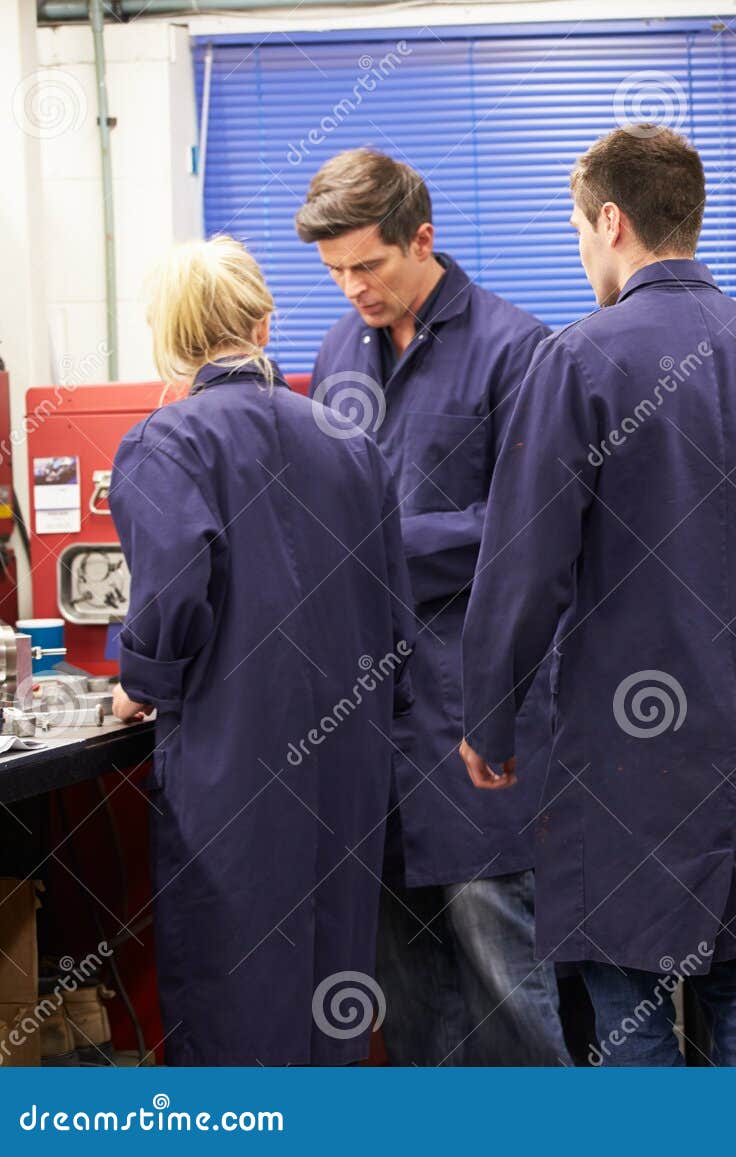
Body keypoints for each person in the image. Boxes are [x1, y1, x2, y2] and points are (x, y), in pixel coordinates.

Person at [458, 125, 736, 1067]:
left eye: (582, 229)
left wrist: (488, 716)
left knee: (627, 990)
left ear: (614, 221)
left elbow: (524, 561)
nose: (583, 249)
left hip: (625, 752)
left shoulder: (580, 361)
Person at [110, 236, 415, 1065]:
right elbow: (395, 619)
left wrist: (140, 680)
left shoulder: (163, 444)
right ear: (265, 320)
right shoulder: (352, 442)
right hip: (350, 768)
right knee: (335, 993)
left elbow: (171, 598)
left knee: (237, 998)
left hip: (235, 767)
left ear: (172, 340)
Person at [296, 149, 567, 1066]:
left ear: (424, 238)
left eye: (366, 265)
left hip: (476, 709)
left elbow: (528, 523)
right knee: (405, 994)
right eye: (333, 272)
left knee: (507, 979)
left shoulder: (515, 348)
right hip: (372, 720)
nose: (351, 289)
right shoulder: (338, 351)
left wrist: (377, 547)